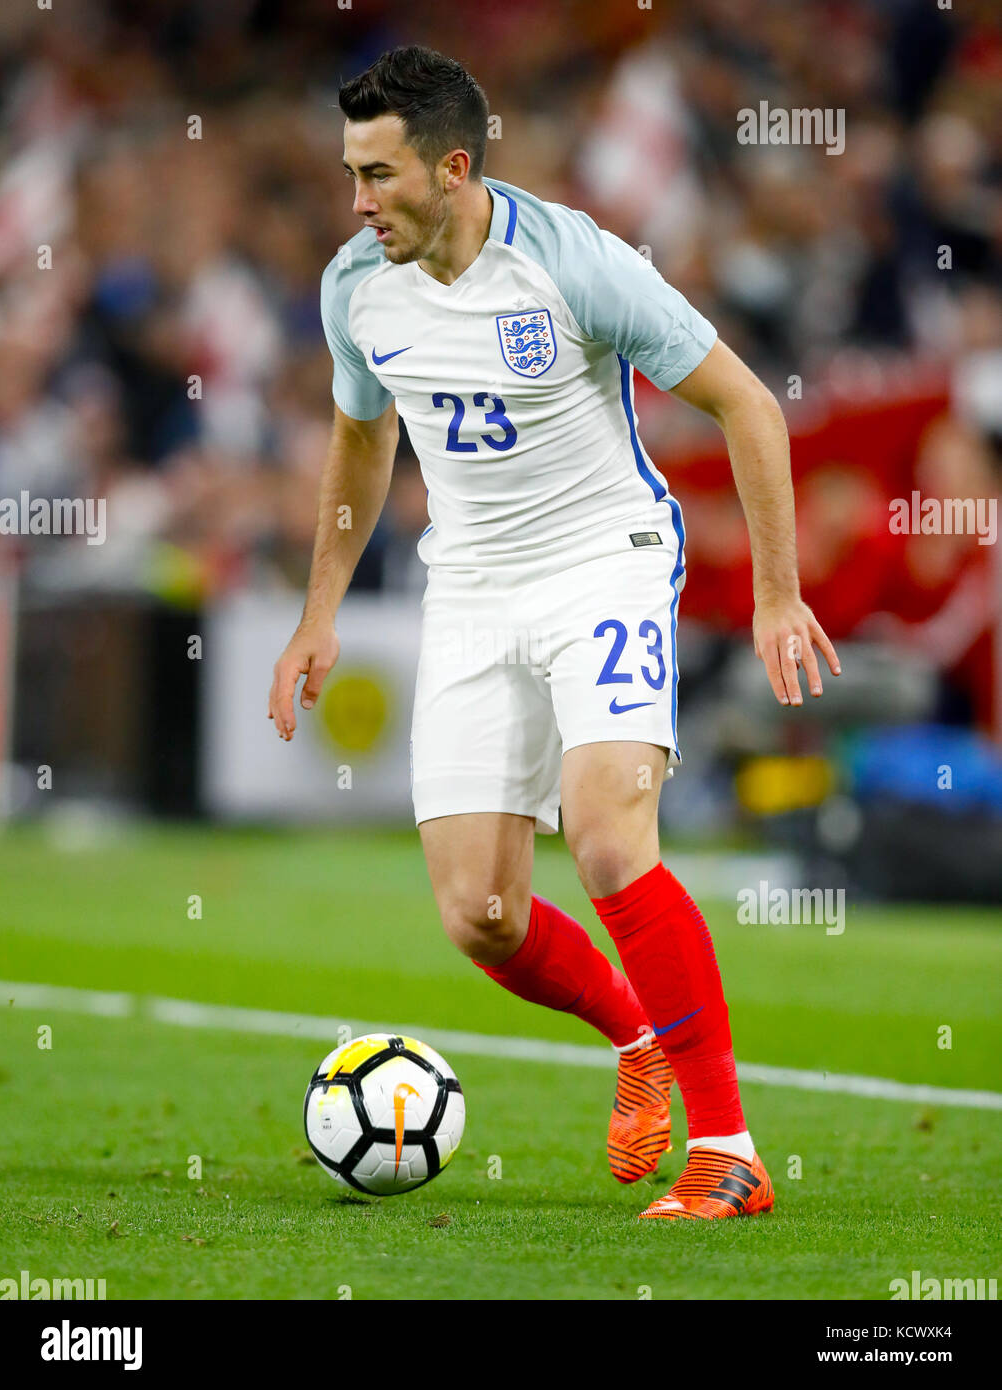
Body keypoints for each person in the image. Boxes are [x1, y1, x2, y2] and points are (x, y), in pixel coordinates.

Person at [269, 45, 840, 1220]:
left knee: (609, 836)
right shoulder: (354, 287)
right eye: (350, 174)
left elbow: (746, 401)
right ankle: (636, 1031)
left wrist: (779, 589)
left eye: (378, 175)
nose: (358, 201)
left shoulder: (575, 262)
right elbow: (362, 438)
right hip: (472, 586)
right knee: (479, 914)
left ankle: (728, 1149)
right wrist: (319, 607)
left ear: (454, 167)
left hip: (604, 566)